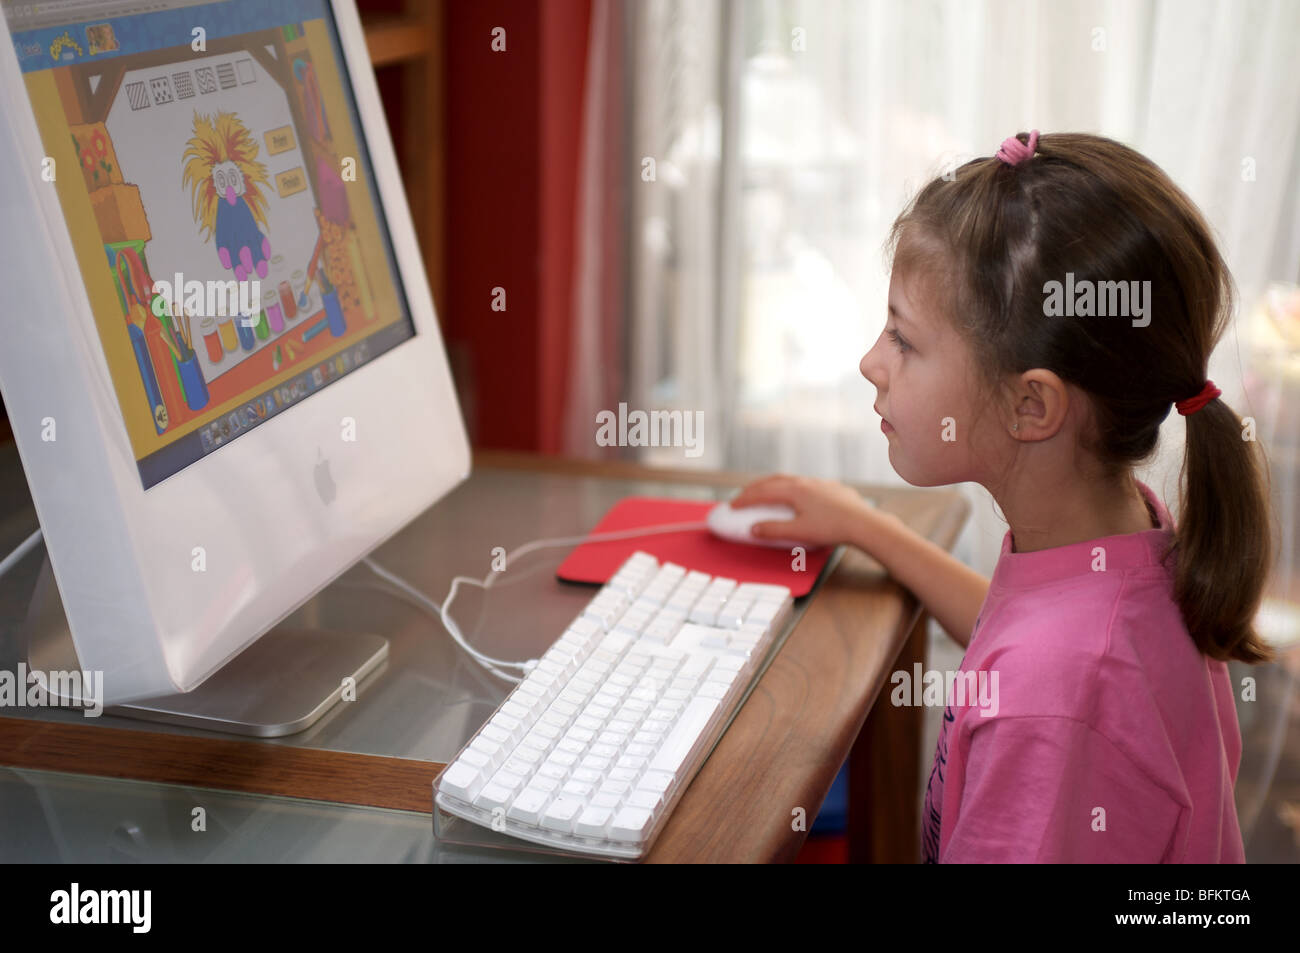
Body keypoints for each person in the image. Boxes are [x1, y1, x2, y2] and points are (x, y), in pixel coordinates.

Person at [730, 131, 1275, 862]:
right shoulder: (1125, 538)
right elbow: (1016, 629)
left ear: (1031, 407)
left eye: (904, 340)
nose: (870, 363)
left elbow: (1041, 673)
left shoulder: (1053, 705)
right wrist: (867, 528)